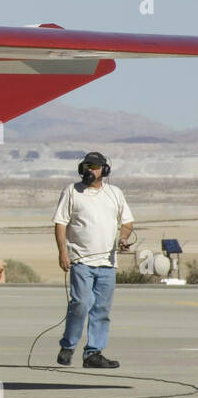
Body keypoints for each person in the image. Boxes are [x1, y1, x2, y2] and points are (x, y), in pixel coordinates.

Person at [52, 151, 134, 368]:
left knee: (101, 309)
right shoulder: (72, 191)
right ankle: (68, 345)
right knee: (80, 303)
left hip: (107, 263)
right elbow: (60, 223)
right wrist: (62, 252)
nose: (90, 170)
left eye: (95, 167)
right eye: (87, 166)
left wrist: (123, 238)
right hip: (80, 260)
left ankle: (93, 353)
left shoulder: (115, 193)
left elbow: (127, 222)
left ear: (104, 170)